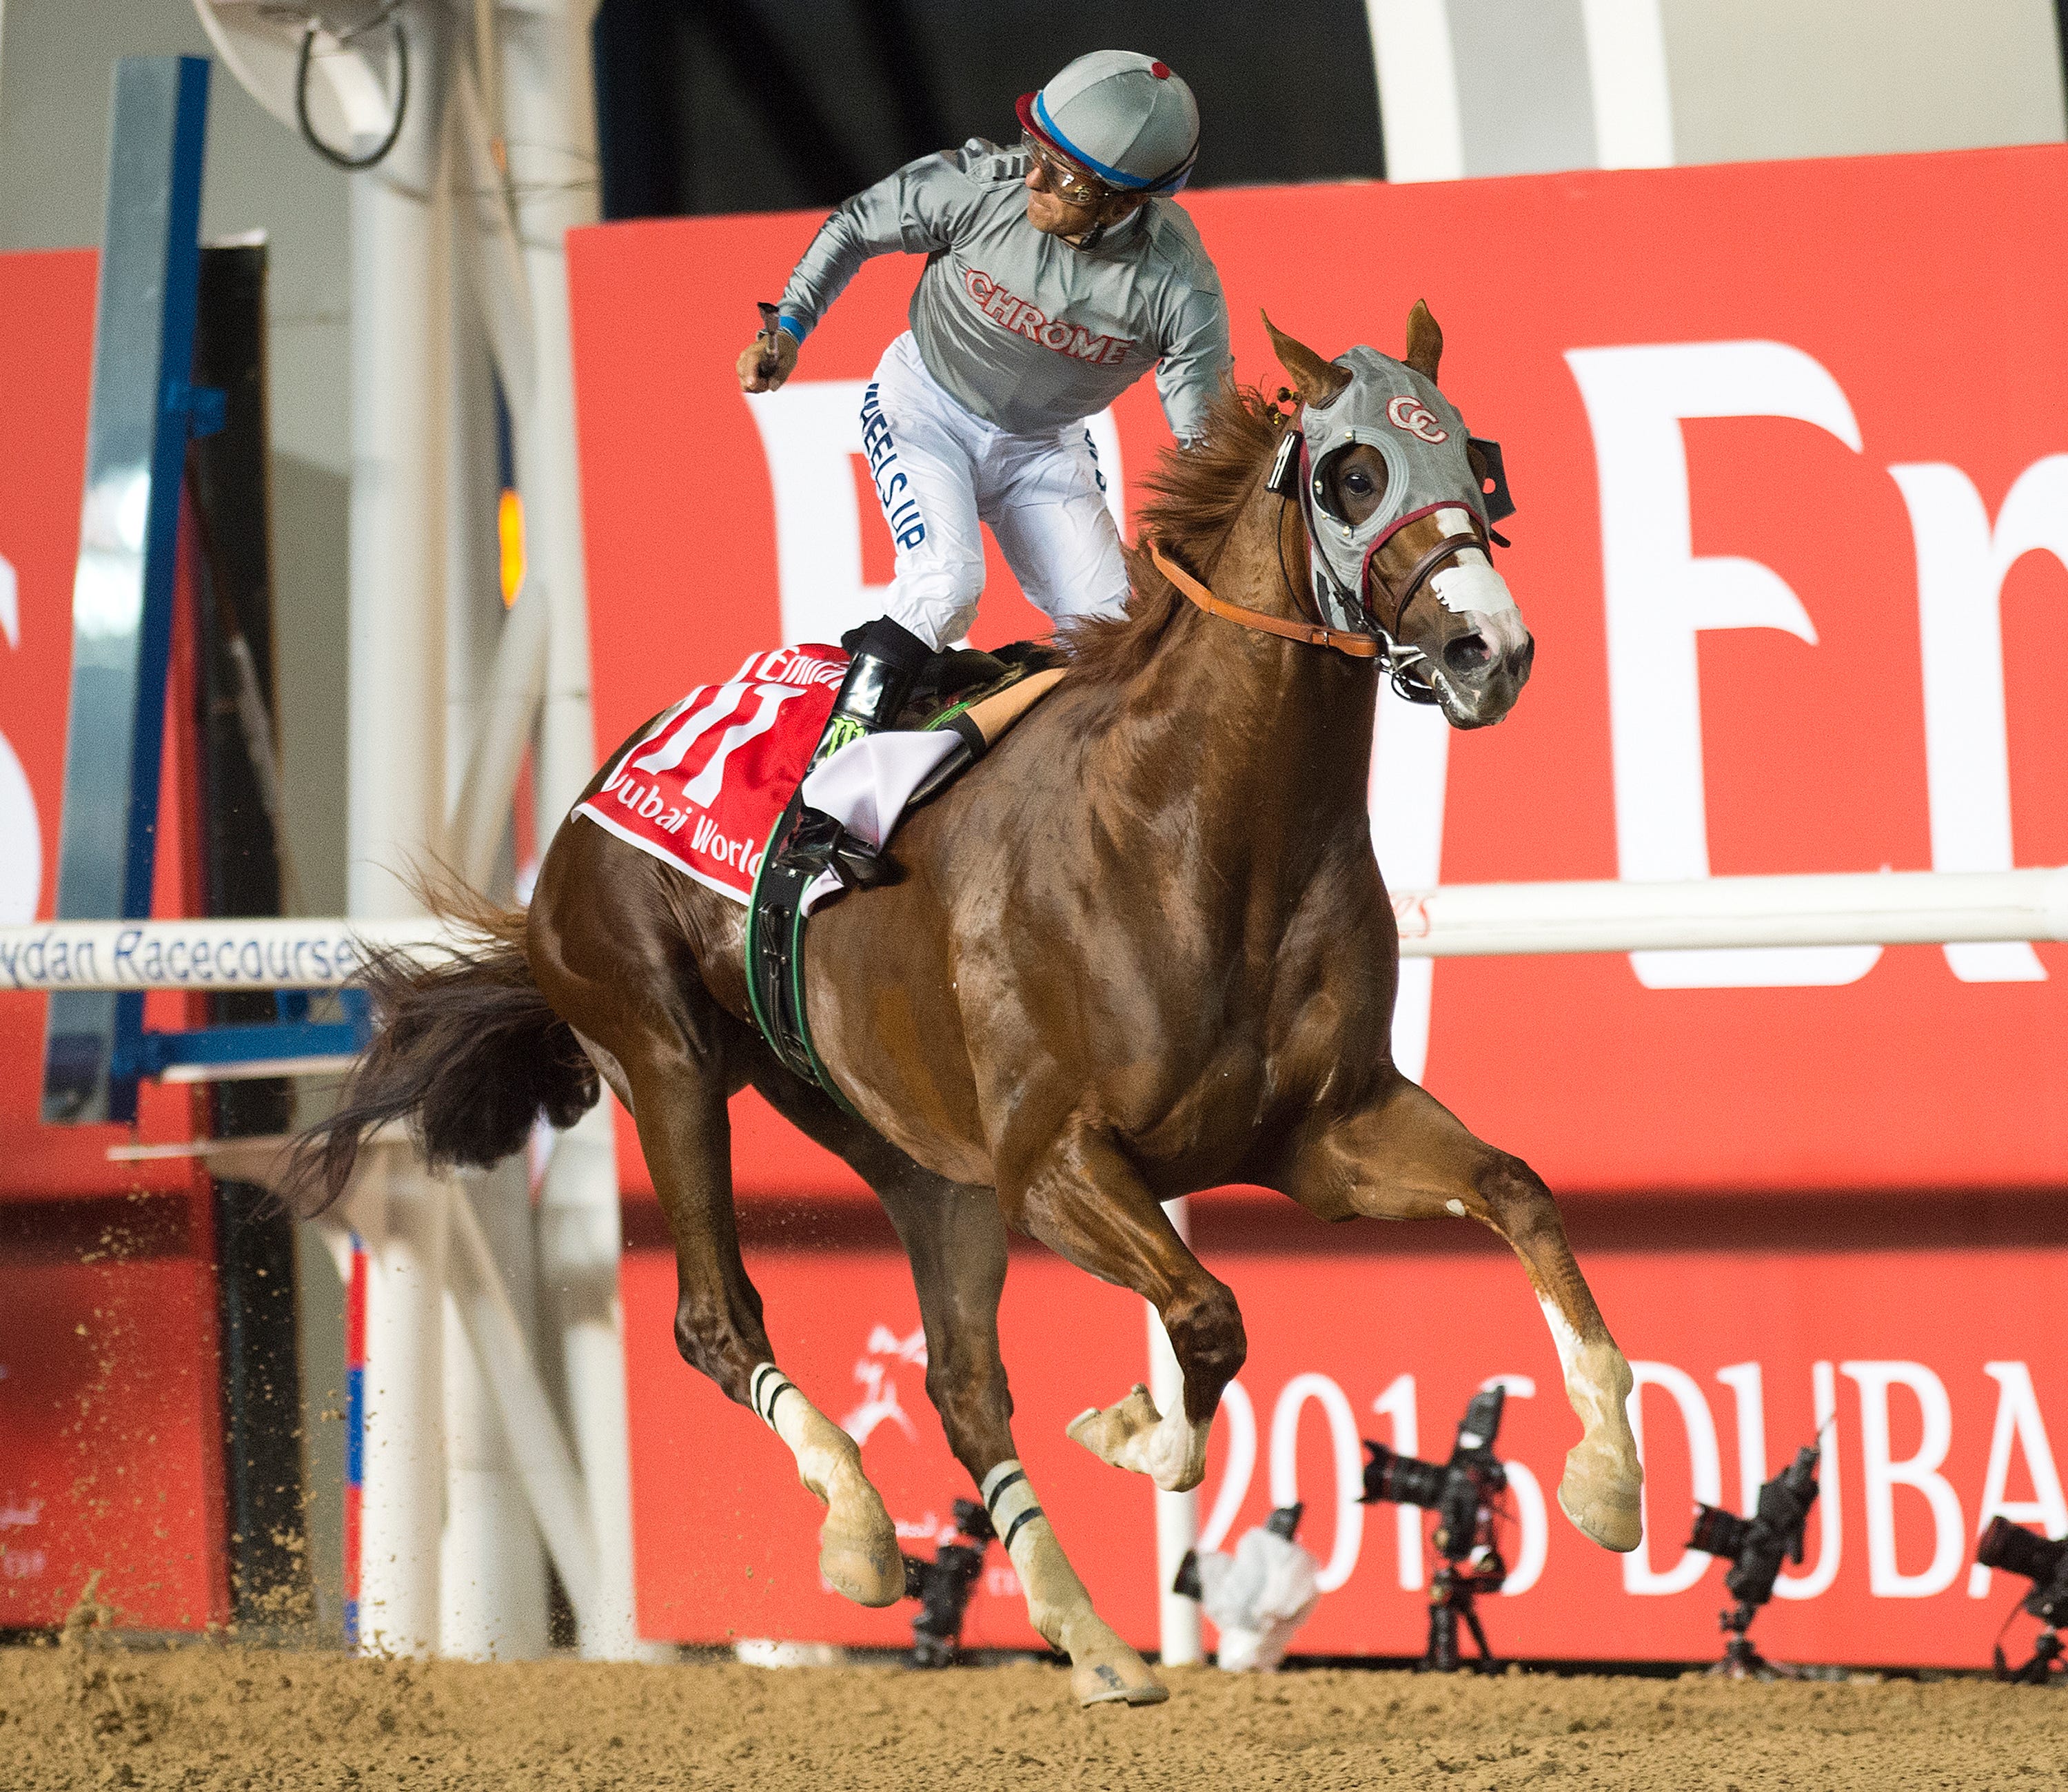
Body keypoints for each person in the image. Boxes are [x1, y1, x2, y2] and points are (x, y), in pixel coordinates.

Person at [738, 48, 1233, 775]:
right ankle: (829, 778)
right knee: (945, 581)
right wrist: (786, 326)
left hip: (1044, 447)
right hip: (925, 405)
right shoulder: (981, 187)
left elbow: (1205, 444)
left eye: (1062, 175)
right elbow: (854, 226)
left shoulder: (1181, 286)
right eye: (1037, 148)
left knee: (1114, 629)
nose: (1031, 176)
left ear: (1127, 203)